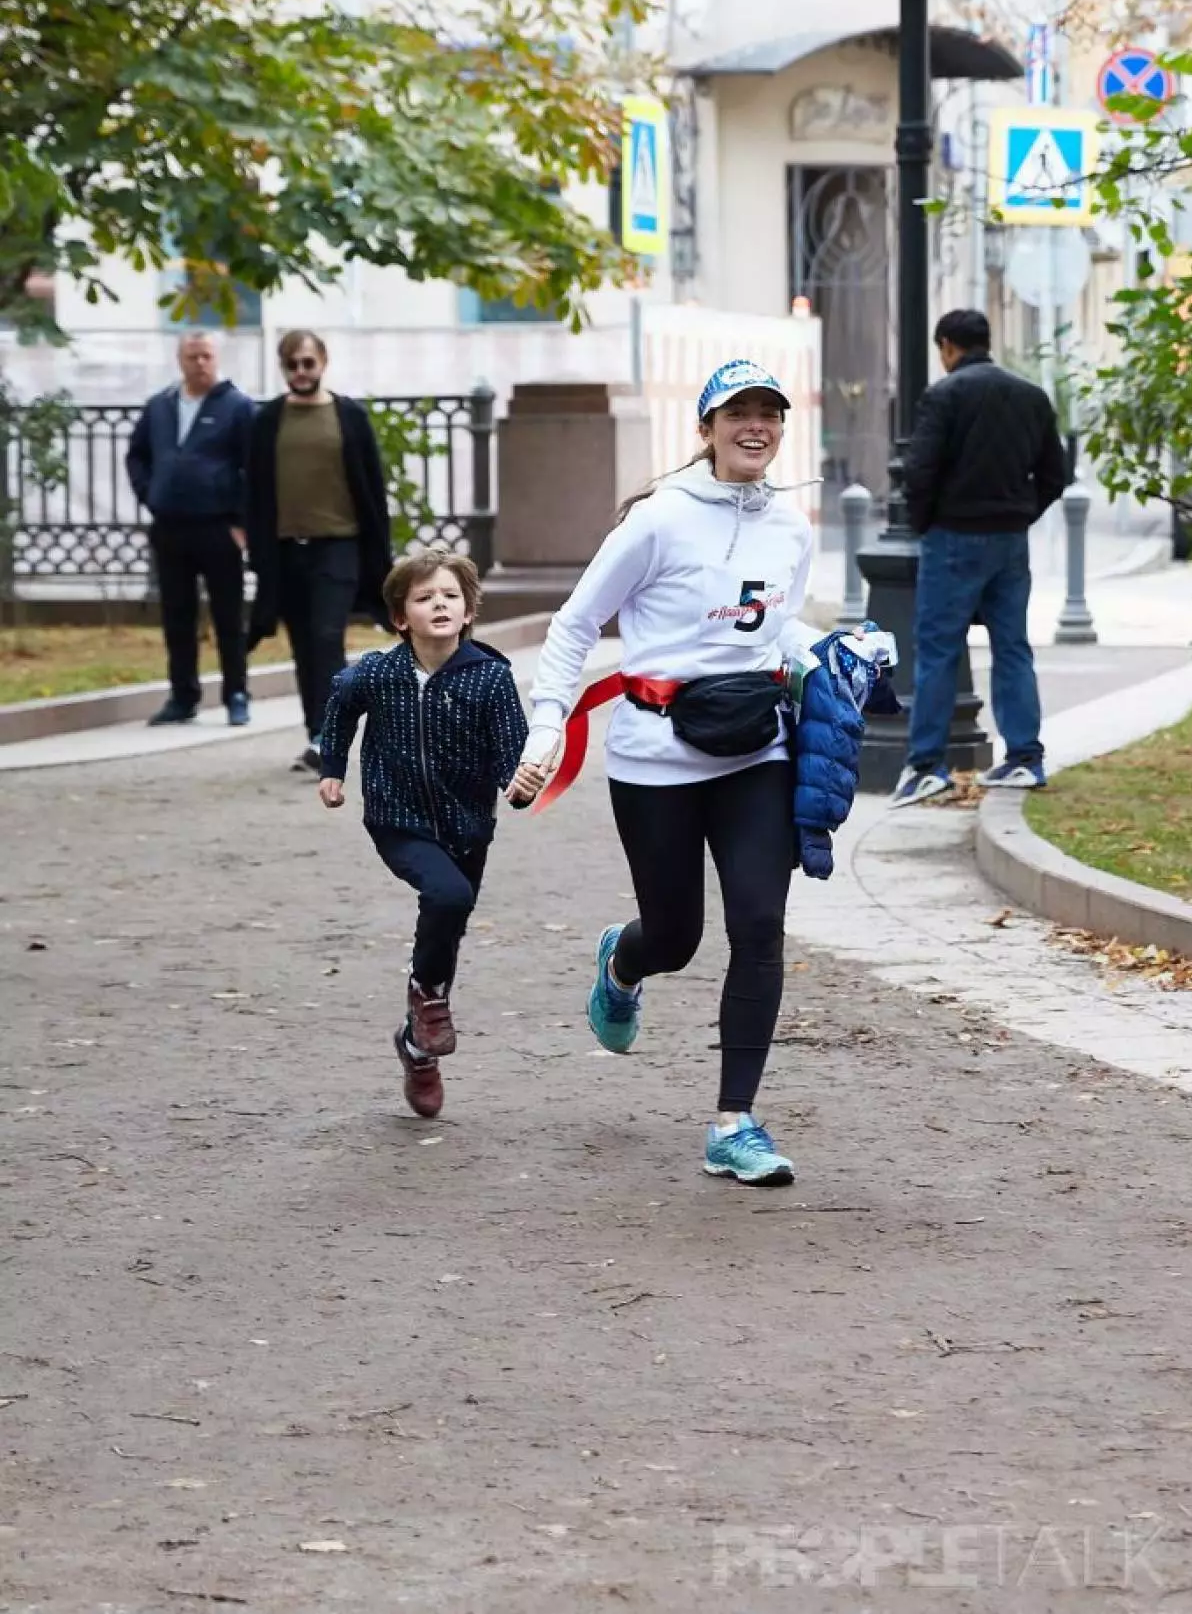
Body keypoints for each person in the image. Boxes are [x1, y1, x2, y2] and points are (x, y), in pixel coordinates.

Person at [513, 360, 819, 1188]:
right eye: (738, 413)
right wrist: (546, 728)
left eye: (769, 414)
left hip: (757, 751)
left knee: (759, 926)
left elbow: (777, 628)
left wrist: (831, 653)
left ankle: (734, 1123)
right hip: (656, 757)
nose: (755, 427)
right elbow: (576, 624)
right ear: (707, 427)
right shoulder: (658, 522)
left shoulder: (792, 527)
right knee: (677, 935)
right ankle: (625, 960)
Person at [317, 548, 545, 1118]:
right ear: (401, 617)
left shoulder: (491, 678)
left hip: (469, 827)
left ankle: (419, 1044)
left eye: (449, 595)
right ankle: (427, 1002)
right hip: (398, 820)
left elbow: (508, 755)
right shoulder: (378, 672)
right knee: (448, 895)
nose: (438, 604)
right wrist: (332, 769)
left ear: (468, 611)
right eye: (424, 597)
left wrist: (519, 785)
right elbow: (339, 708)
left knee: (448, 923)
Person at [891, 308, 1067, 807]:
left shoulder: (944, 395)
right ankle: (1025, 759)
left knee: (938, 650)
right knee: (1013, 647)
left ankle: (927, 765)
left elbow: (919, 472)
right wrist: (1020, 514)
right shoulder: (1031, 396)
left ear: (948, 346)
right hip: (1010, 539)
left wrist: (926, 523)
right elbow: (1055, 474)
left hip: (952, 536)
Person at [247, 331, 392, 774]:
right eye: (292, 365)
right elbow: (254, 487)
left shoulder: (348, 416)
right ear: (283, 368)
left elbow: (372, 489)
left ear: (323, 362)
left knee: (328, 637)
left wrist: (379, 554)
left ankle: (332, 737)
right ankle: (316, 731)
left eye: (308, 363)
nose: (301, 372)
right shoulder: (269, 419)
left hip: (340, 545)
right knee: (304, 646)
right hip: (286, 549)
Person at [126, 333, 256, 727]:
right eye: (192, 356)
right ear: (179, 359)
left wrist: (241, 523)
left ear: (216, 359)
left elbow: (254, 468)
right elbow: (137, 455)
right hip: (170, 527)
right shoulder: (160, 406)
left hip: (218, 527)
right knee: (176, 616)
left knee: (228, 617)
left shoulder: (237, 407)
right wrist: (151, 494)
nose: (200, 362)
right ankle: (182, 696)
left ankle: (236, 693)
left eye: (206, 356)